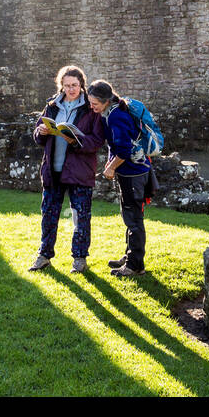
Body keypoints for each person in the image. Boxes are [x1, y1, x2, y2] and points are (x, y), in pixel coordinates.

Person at [29, 65, 105, 274]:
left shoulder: (91, 109)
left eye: (74, 85)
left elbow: (97, 141)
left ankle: (79, 259)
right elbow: (37, 137)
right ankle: (44, 256)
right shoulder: (52, 106)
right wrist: (42, 131)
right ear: (61, 86)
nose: (71, 89)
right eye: (67, 86)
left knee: (80, 217)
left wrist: (75, 139)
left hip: (79, 173)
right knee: (48, 215)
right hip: (53, 171)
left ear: (82, 85)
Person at [85, 79, 150, 277]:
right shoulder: (111, 112)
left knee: (134, 218)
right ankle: (130, 256)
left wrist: (111, 168)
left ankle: (135, 265)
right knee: (129, 215)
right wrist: (111, 162)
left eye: (94, 103)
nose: (91, 106)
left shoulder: (116, 116)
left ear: (105, 101)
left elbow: (124, 149)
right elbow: (118, 145)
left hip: (133, 174)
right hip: (132, 171)